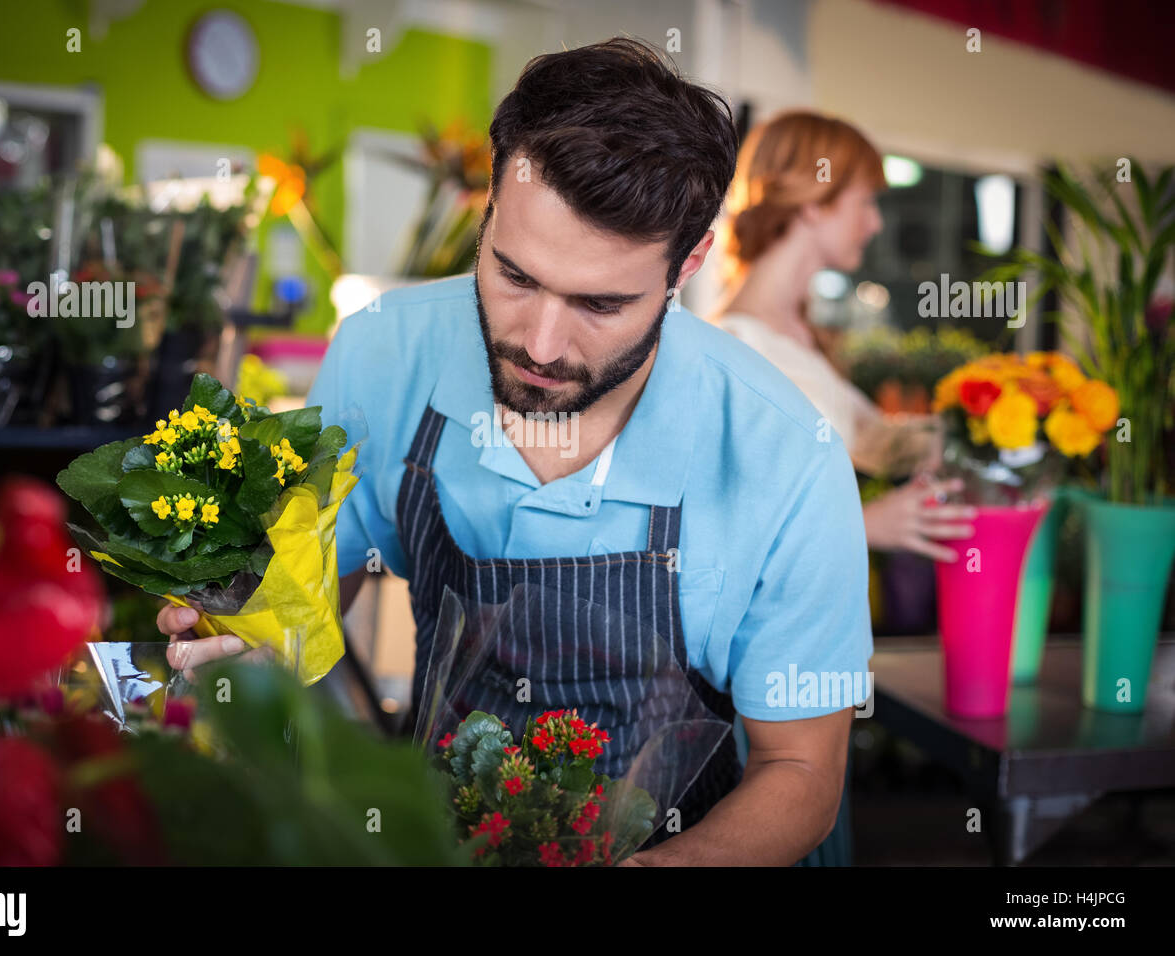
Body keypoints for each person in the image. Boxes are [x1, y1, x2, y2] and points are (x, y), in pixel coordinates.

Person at [160, 39, 872, 866]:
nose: (539, 343)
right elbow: (314, 593)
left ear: (690, 264)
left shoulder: (786, 456)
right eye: (514, 275)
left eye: (600, 303)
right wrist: (247, 634)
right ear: (491, 203)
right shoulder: (383, 353)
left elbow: (802, 772)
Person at [711, 111, 977, 563]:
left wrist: (993, 419)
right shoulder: (737, 346)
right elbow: (728, 522)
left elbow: (877, 441)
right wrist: (866, 524)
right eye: (866, 201)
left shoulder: (796, 333)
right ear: (814, 202)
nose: (875, 223)